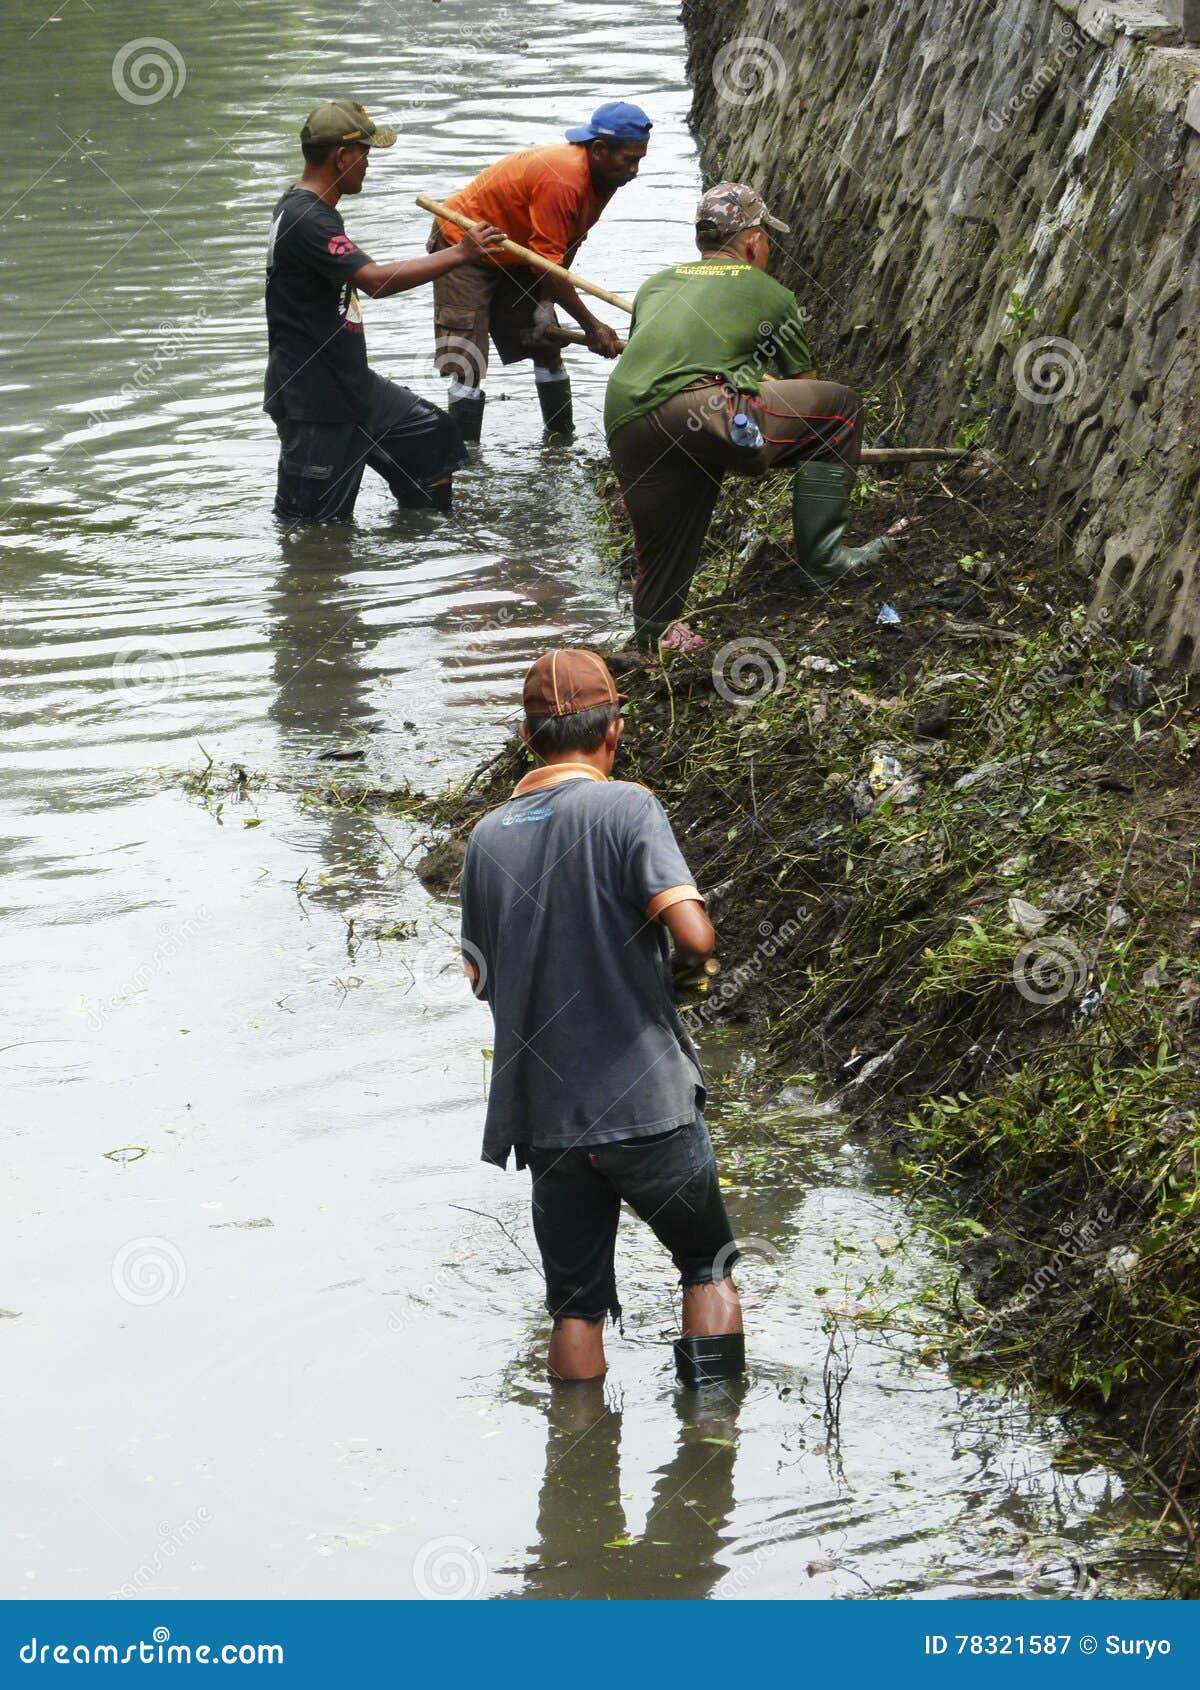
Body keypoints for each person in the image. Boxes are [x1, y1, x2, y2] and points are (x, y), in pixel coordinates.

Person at [459, 648, 744, 1387]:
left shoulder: (486, 840)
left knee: (575, 1310)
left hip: (549, 1121)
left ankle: (576, 1472)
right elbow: (695, 935)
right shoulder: (627, 806)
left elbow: (482, 979)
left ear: (527, 739)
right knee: (705, 1268)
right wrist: (689, 985)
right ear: (614, 732)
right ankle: (712, 1449)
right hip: (648, 1105)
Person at [604, 182, 913, 649]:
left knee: (669, 537)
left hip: (626, 416)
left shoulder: (654, 286)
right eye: (766, 238)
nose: (767, 247)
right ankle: (826, 560)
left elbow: (660, 362)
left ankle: (653, 638)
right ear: (752, 241)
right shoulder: (770, 293)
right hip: (704, 409)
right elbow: (803, 389)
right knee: (840, 411)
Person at [264, 99, 505, 522]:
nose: (367, 164)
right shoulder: (307, 219)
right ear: (342, 156)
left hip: (352, 387)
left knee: (432, 439)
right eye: (365, 154)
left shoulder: (313, 212)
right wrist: (461, 253)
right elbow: (374, 280)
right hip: (315, 400)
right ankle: (314, 579)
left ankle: (420, 556)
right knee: (314, 528)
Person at [426, 101, 652, 443]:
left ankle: (560, 442)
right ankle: (465, 463)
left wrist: (546, 303)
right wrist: (593, 326)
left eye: (639, 161)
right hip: (466, 246)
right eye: (629, 161)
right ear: (600, 149)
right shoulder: (564, 179)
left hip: (518, 254)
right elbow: (548, 265)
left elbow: (563, 247)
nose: (634, 170)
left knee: (546, 341)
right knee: (467, 359)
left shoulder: (605, 178)